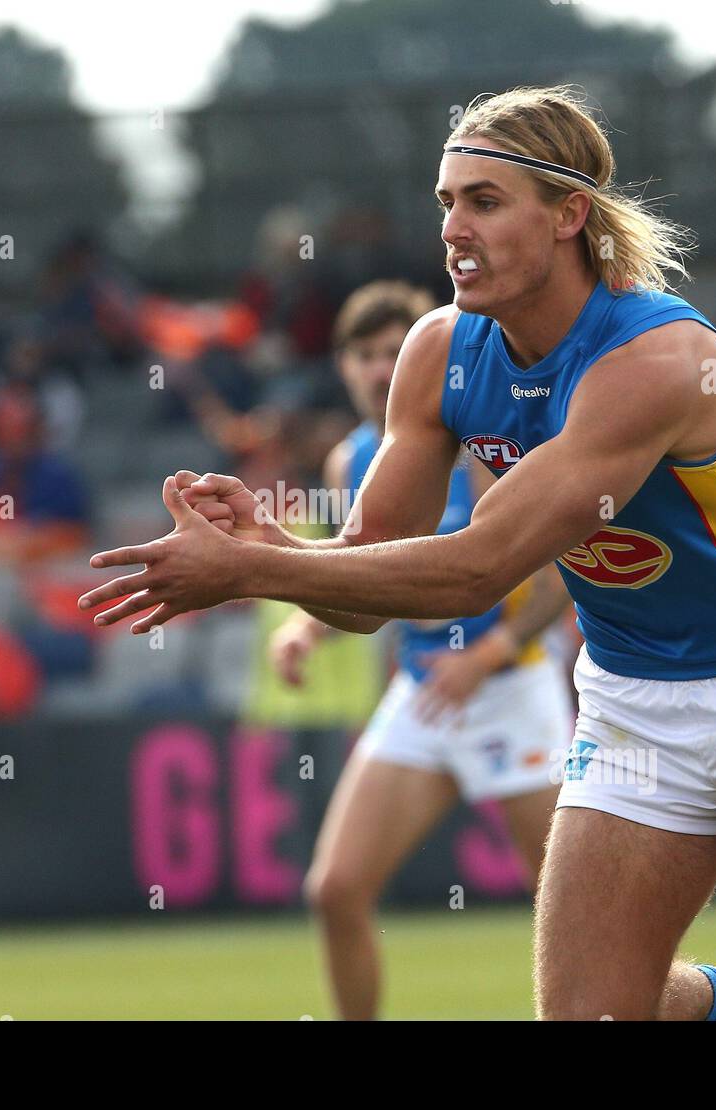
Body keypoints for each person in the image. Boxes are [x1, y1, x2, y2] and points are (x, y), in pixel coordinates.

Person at [79, 85, 716, 1020]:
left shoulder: (660, 358)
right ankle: (712, 1003)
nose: (454, 228)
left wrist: (250, 572)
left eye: (485, 202)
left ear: (570, 214)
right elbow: (367, 587)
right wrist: (279, 545)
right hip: (633, 702)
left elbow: (478, 568)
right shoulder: (438, 353)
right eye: (447, 202)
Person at [271, 279, 578, 1020]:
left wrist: (489, 654)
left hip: (511, 688)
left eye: (394, 351)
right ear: (342, 366)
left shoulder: (480, 440)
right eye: (364, 354)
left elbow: (566, 576)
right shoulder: (351, 462)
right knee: (336, 889)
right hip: (423, 691)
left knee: (572, 907)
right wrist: (307, 625)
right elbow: (366, 573)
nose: (381, 369)